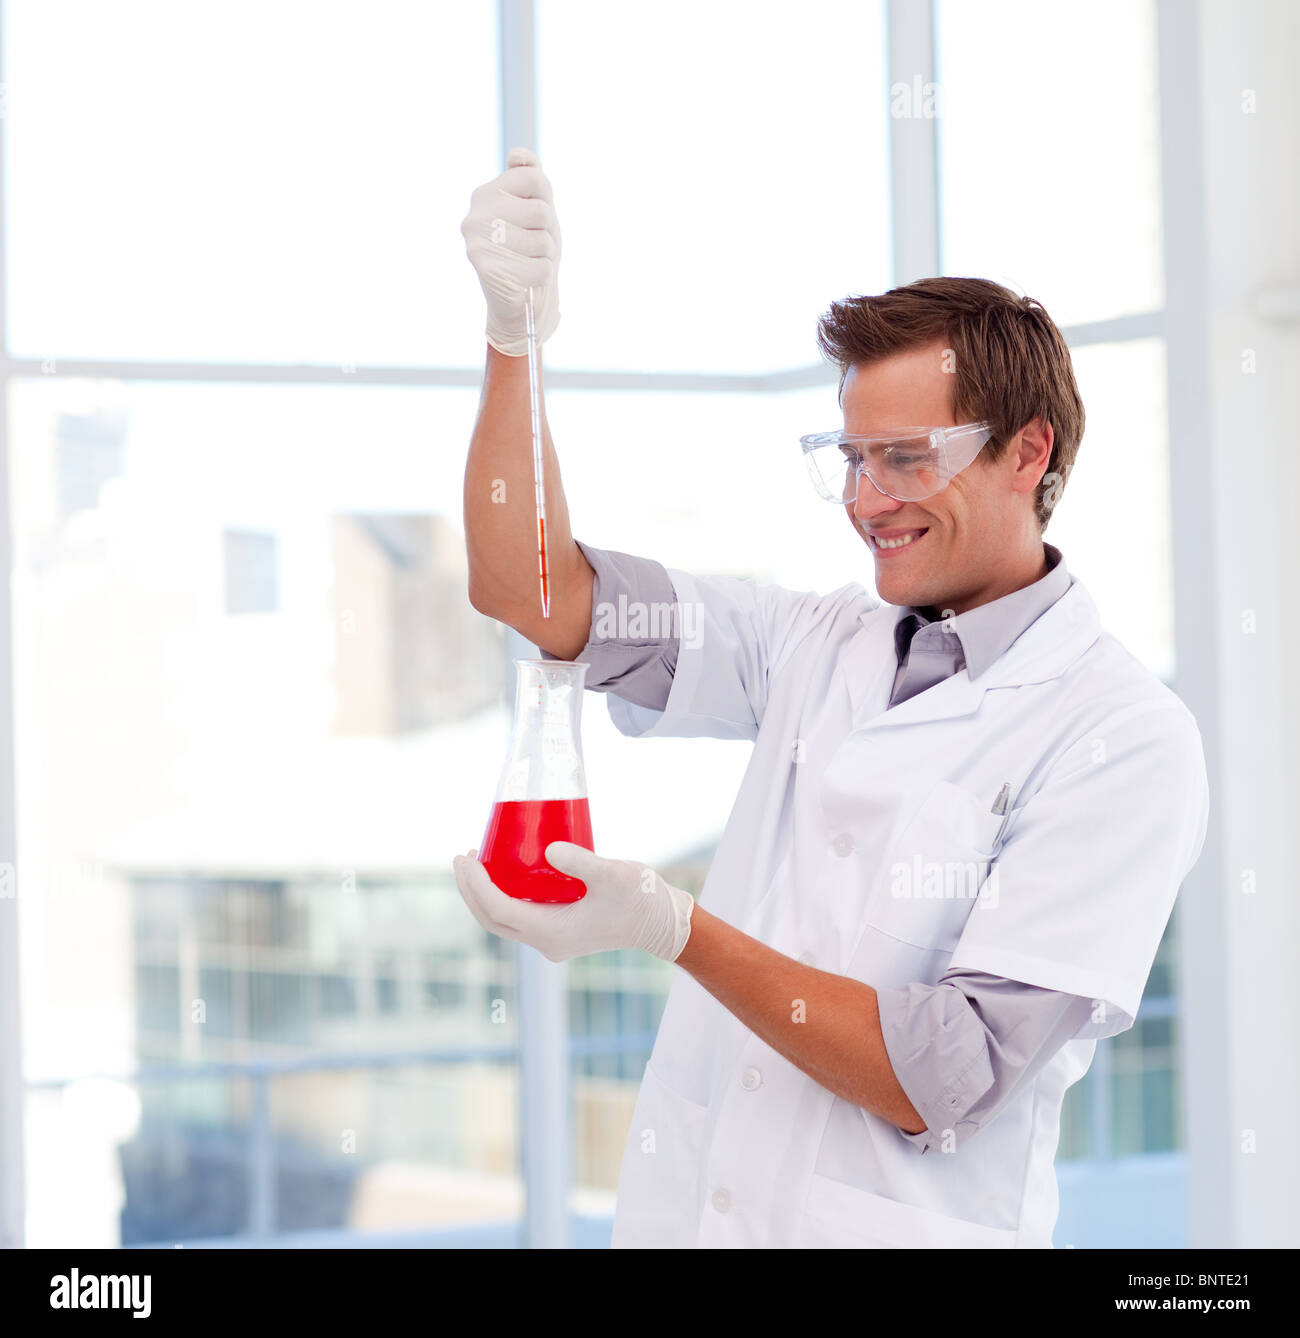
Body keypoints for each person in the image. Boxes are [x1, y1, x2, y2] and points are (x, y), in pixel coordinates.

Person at [453, 149, 1209, 1249]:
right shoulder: (810, 641)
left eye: (904, 460)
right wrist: (513, 343)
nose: (865, 502)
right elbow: (527, 589)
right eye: (850, 459)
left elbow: (943, 1073)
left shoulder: (1122, 739)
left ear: (1026, 453)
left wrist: (673, 929)